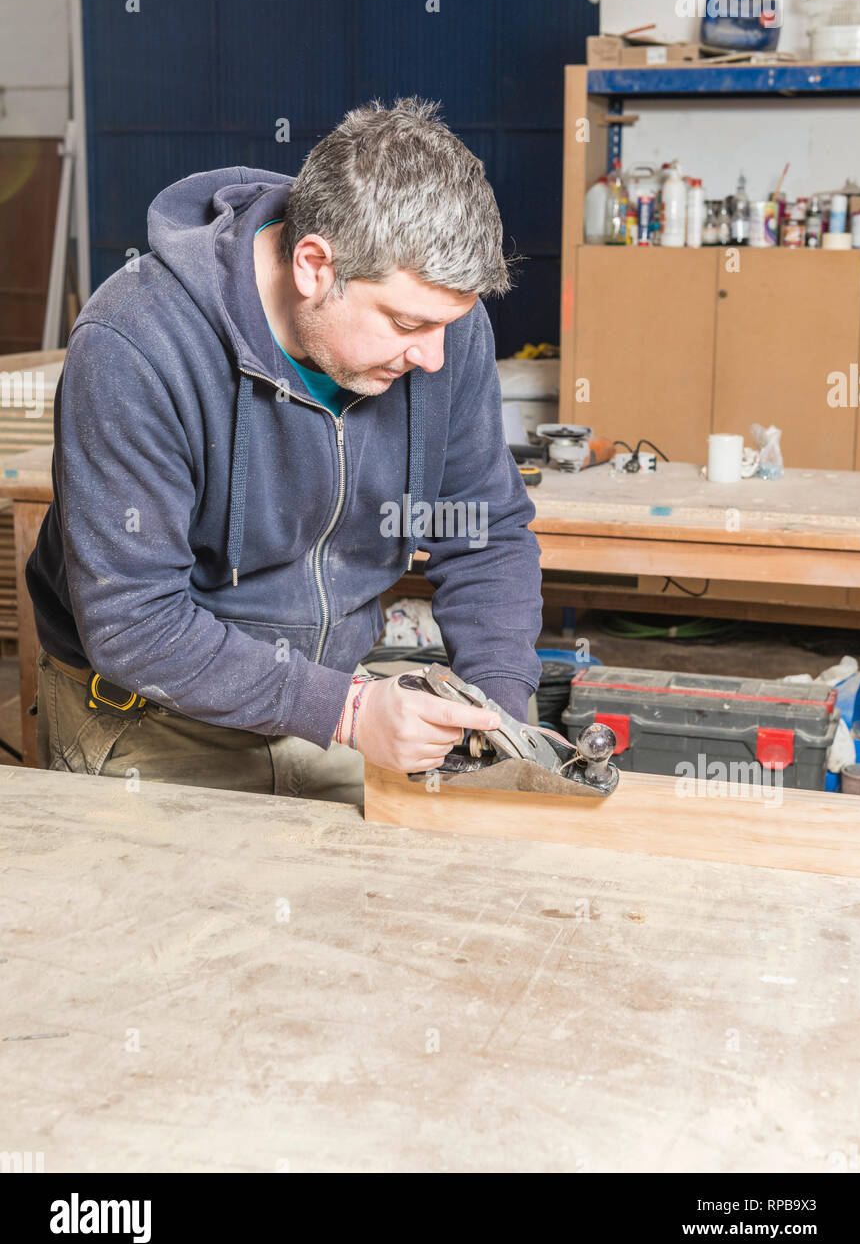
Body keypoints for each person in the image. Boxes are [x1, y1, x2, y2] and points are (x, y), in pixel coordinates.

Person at [26, 96, 542, 802]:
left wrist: (500, 707)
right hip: (155, 725)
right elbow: (132, 622)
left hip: (335, 707)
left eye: (448, 323)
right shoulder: (135, 344)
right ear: (313, 265)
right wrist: (349, 711)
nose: (432, 357)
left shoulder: (442, 329)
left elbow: (482, 533)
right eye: (404, 323)